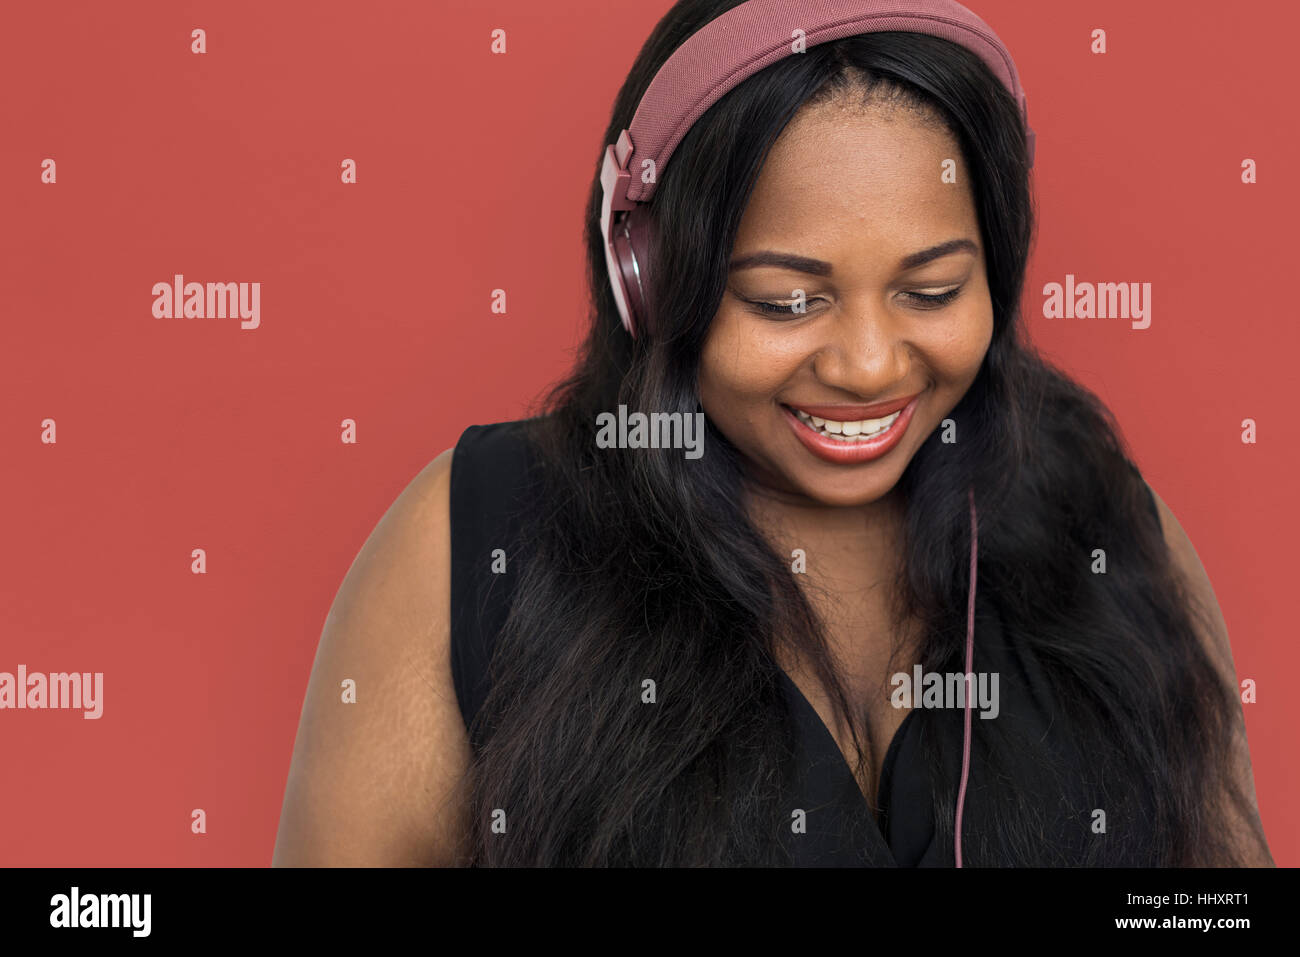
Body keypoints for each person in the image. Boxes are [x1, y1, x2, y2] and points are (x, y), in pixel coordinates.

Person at [272, 0, 1272, 867]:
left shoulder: (1109, 528)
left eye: (932, 290)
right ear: (648, 280)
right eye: (787, 301)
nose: (870, 364)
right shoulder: (479, 541)